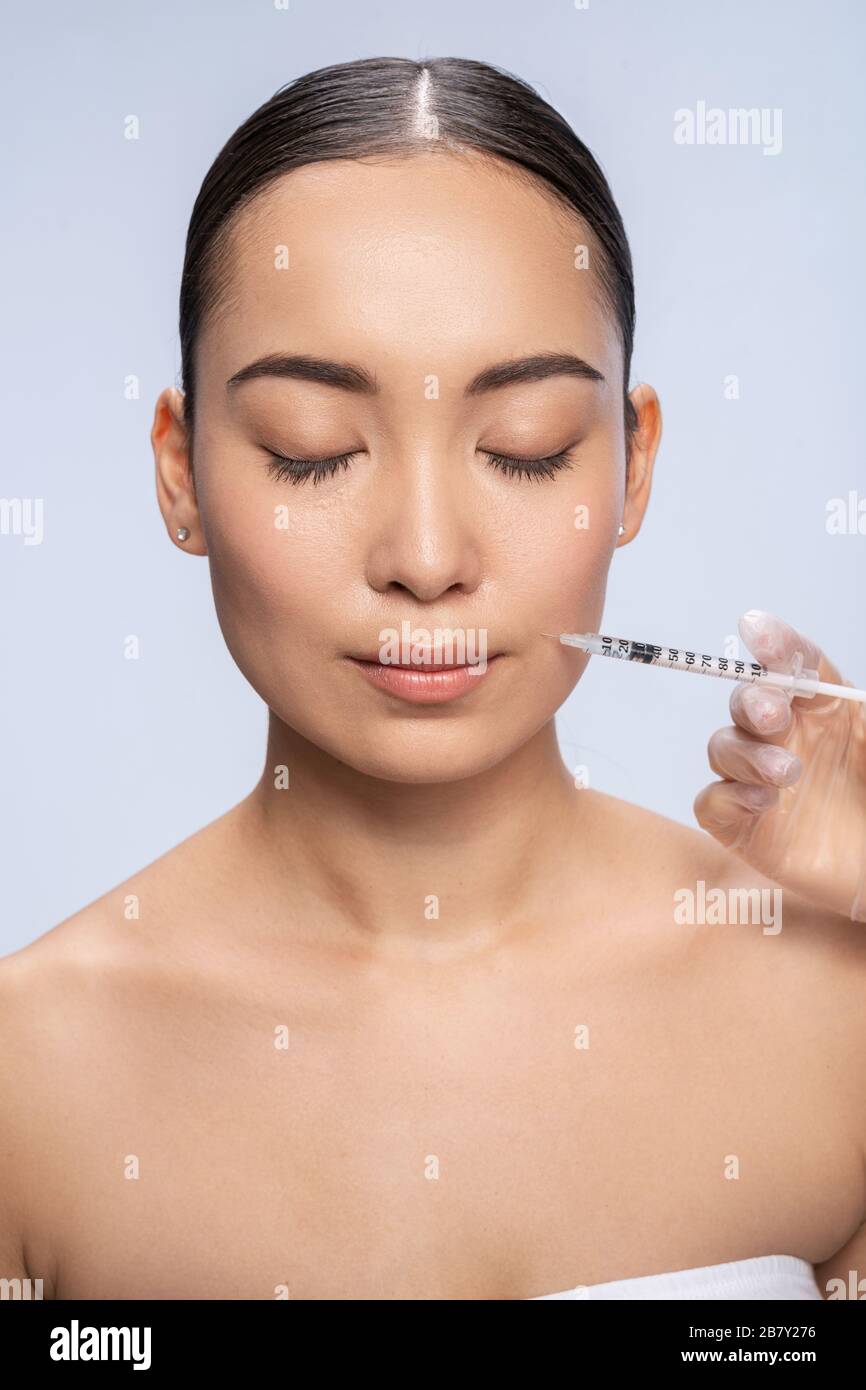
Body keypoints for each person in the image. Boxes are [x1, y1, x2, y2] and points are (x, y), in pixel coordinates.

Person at [2, 56, 864, 1302]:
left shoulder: (831, 1011)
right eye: (312, 454)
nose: (423, 560)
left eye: (525, 452)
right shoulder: (32, 1080)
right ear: (181, 472)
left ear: (627, 464)